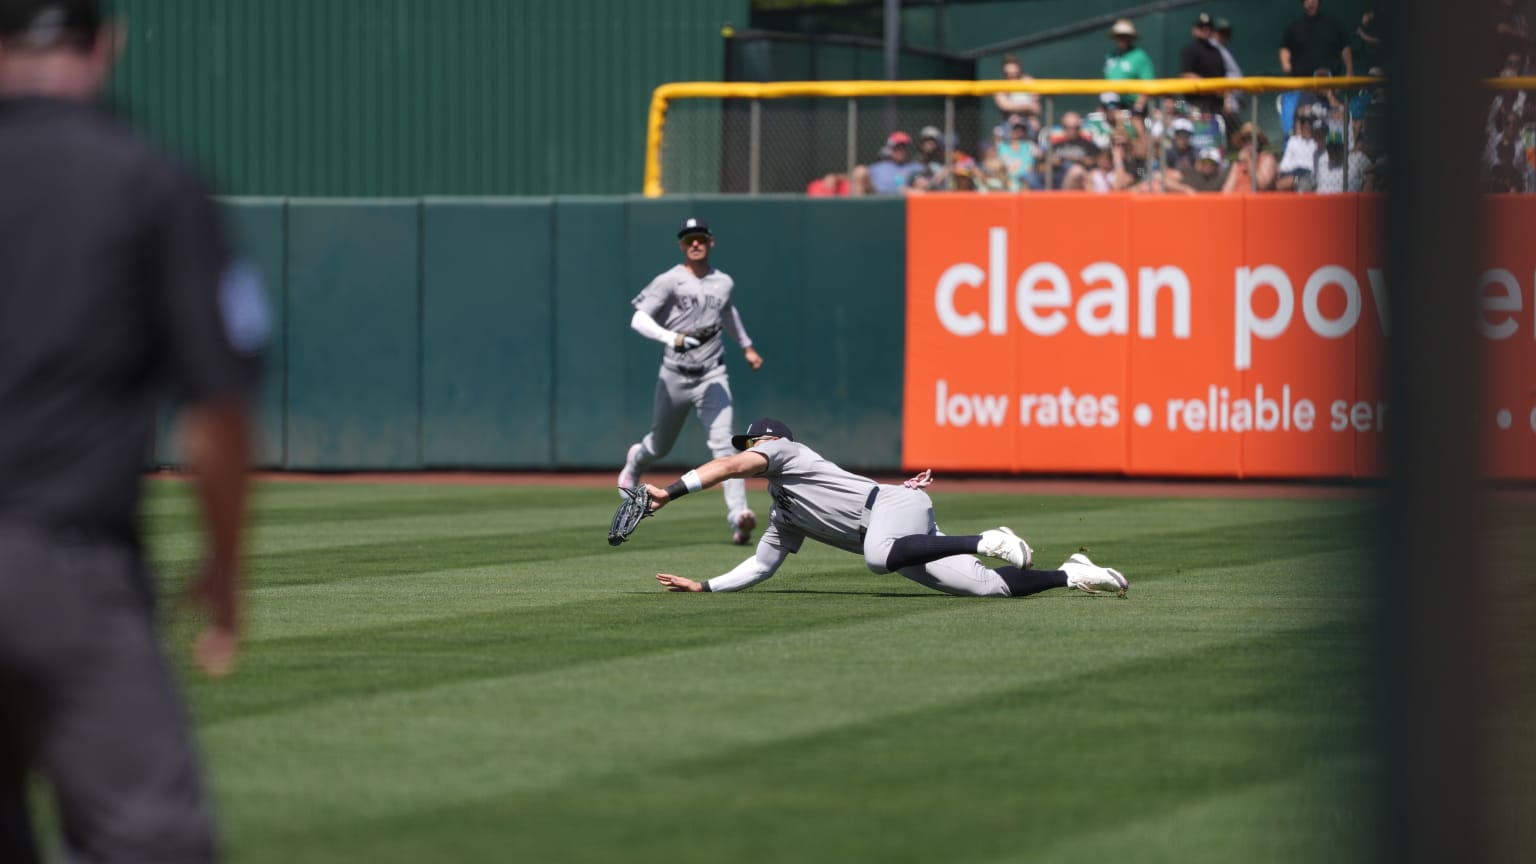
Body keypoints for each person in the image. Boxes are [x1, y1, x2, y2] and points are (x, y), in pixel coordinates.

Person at [0, 1, 265, 860]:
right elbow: (217, 410)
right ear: (107, 42)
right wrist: (224, 568)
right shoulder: (151, 179)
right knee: (152, 843)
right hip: (62, 571)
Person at [646, 417, 1128, 598]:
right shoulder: (783, 508)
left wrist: (670, 491)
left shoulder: (786, 451)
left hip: (891, 513)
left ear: (773, 441)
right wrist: (705, 586)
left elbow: (728, 466)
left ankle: (988, 538)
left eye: (756, 440)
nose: (752, 446)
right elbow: (762, 565)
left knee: (878, 559)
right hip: (896, 528)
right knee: (986, 589)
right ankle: (1073, 573)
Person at [618, 218, 766, 546]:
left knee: (725, 444)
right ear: (682, 246)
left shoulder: (723, 282)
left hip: (713, 374)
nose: (694, 244)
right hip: (675, 374)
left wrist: (747, 345)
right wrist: (673, 339)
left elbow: (728, 313)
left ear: (710, 242)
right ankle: (636, 459)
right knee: (660, 444)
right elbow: (638, 319)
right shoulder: (670, 280)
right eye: (688, 240)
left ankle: (738, 516)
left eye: (700, 238)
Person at [1178, 13, 1228, 118]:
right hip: (1197, 107)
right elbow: (1187, 76)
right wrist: (1213, 88)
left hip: (1217, 106)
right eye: (1202, 27)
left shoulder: (1217, 51)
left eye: (1209, 27)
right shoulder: (1190, 50)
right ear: (1195, 30)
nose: (1206, 30)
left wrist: (1227, 100)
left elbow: (1224, 77)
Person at [1102, 19, 1155, 115]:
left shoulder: (1139, 56)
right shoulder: (1111, 55)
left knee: (1135, 122)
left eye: (1124, 36)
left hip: (1133, 104)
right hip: (1112, 103)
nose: (1120, 39)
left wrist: (1138, 107)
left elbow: (1148, 83)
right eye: (1118, 36)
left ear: (1131, 38)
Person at [992, 54, 1041, 138]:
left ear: (1020, 71)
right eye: (1009, 75)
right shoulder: (1000, 85)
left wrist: (1016, 109)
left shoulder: (1028, 81)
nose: (1013, 78)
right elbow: (1004, 106)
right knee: (999, 131)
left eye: (1015, 74)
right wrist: (1027, 107)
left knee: (1035, 125)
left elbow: (1037, 108)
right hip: (1009, 122)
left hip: (1028, 120)